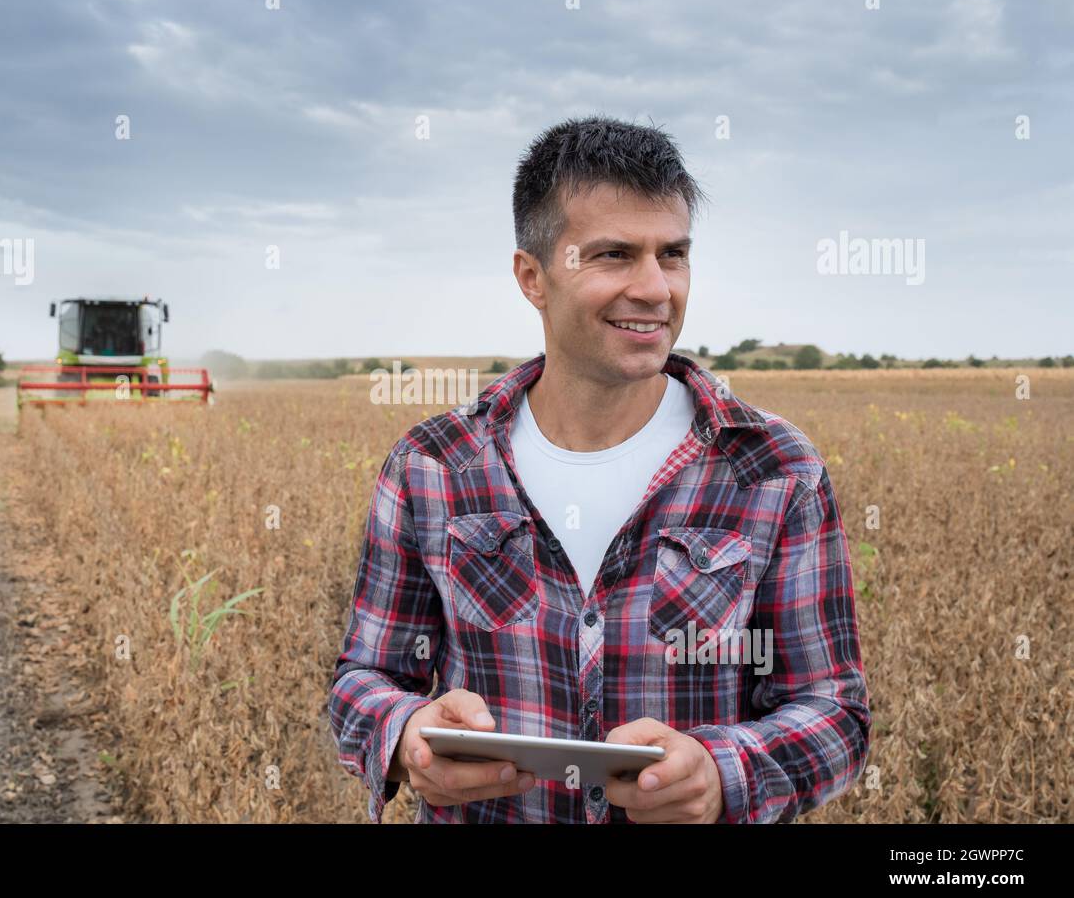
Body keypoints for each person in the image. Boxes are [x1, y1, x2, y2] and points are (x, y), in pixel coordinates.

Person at [328, 115, 870, 823]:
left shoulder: (773, 468)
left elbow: (835, 711)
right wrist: (406, 736)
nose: (655, 289)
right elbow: (364, 679)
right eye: (615, 255)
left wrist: (720, 773)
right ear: (533, 277)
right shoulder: (432, 466)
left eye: (672, 255)